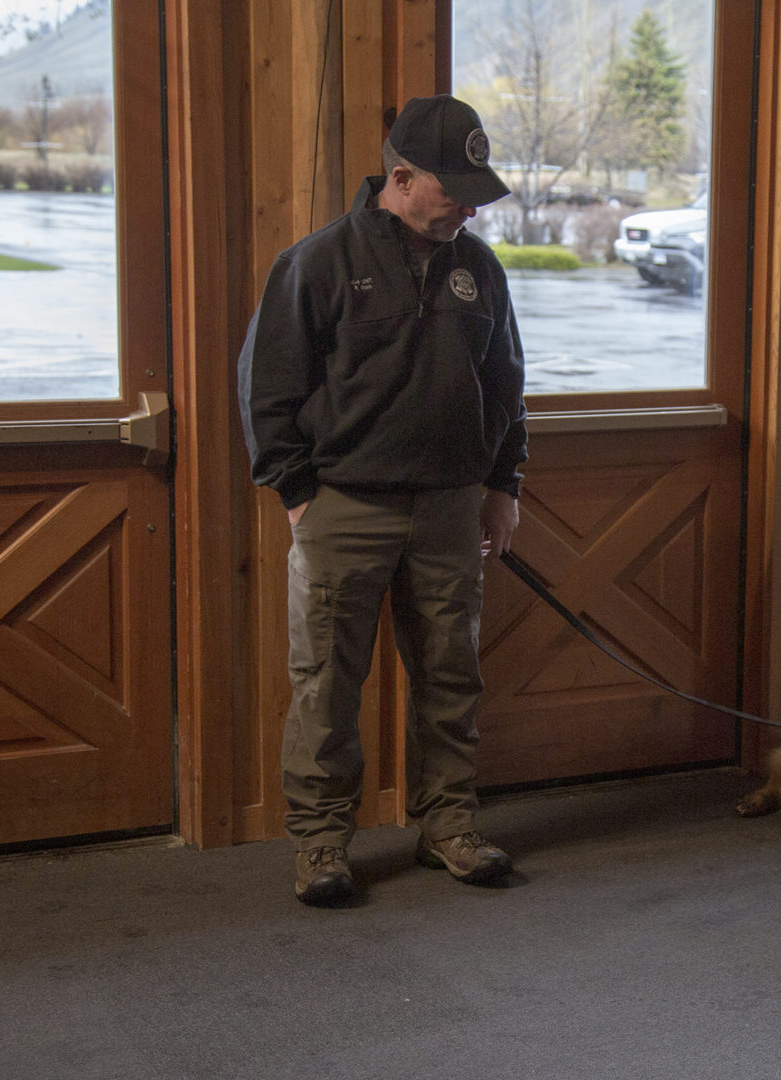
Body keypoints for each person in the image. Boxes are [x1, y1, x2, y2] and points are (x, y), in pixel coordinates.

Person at [238, 94, 529, 903]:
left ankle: (449, 827)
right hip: (344, 508)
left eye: (476, 193)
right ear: (400, 179)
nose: (469, 208)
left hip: (450, 508)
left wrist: (503, 486)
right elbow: (266, 392)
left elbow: (507, 384)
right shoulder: (316, 263)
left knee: (450, 677)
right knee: (327, 684)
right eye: (453, 191)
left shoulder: (481, 269)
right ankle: (322, 844)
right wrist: (299, 496)